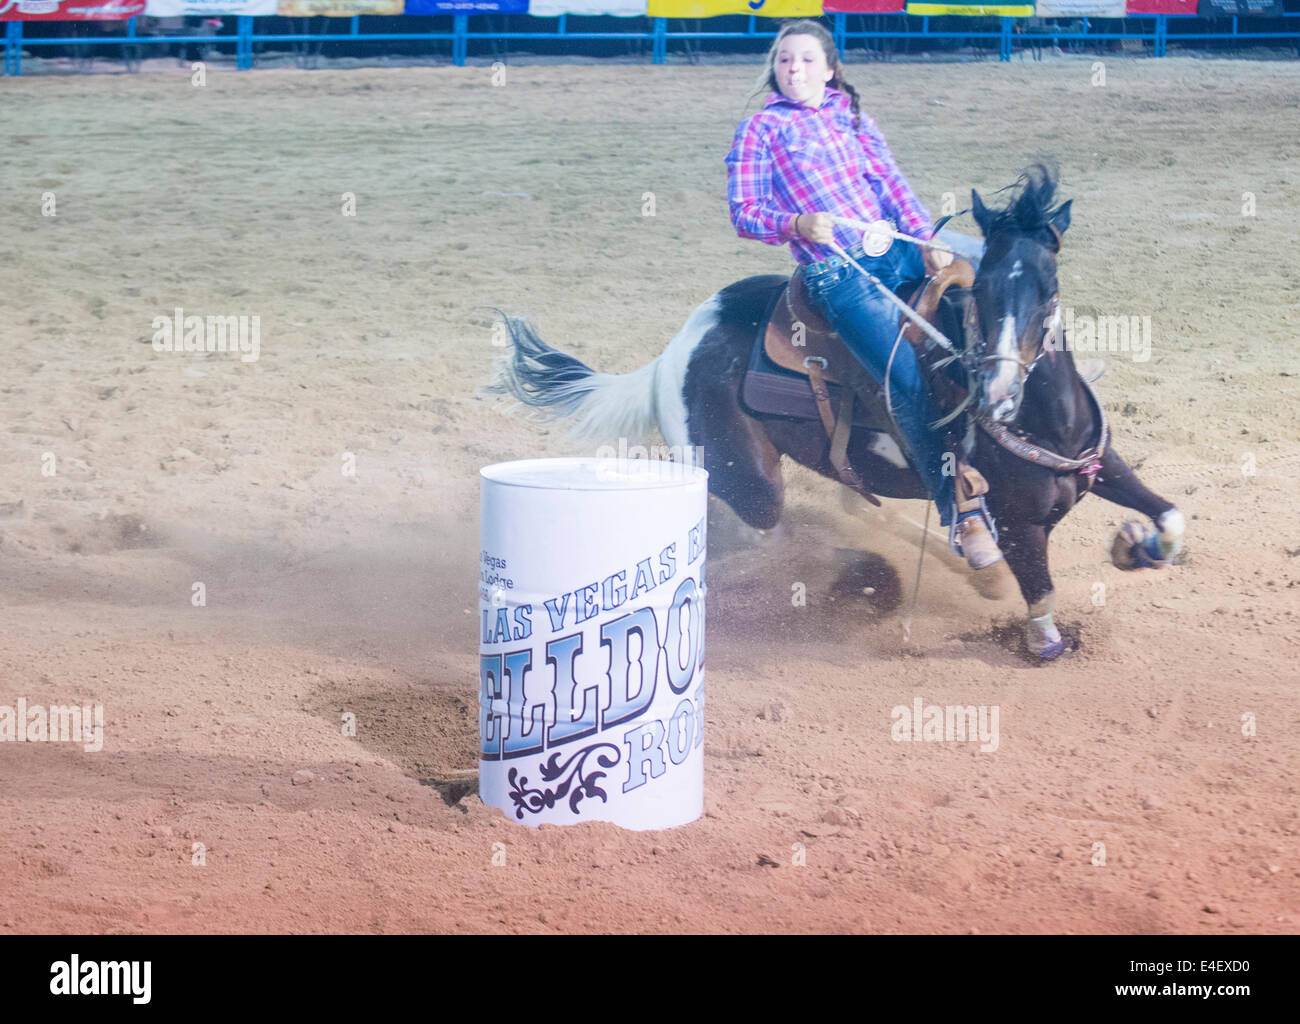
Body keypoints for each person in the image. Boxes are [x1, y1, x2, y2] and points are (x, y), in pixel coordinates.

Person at [724, 19, 1002, 570]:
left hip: (897, 244)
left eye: (805, 60)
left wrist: (925, 239)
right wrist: (797, 222)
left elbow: (891, 183)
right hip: (838, 273)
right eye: (784, 61)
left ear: (829, 70)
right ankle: (961, 515)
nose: (794, 69)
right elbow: (744, 214)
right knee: (904, 380)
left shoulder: (851, 116)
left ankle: (1043, 374)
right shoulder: (760, 129)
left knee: (1000, 270)